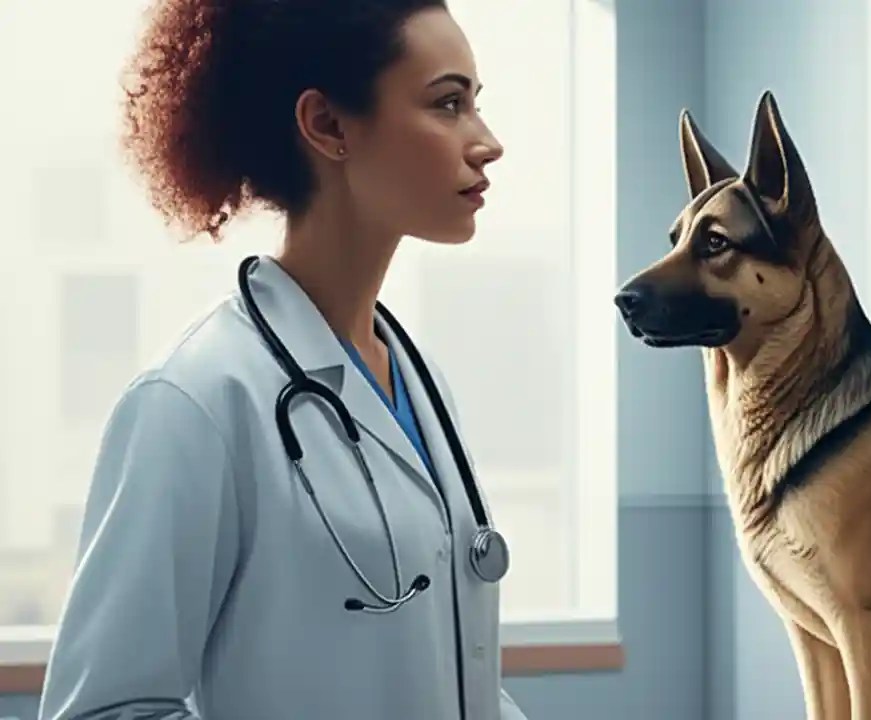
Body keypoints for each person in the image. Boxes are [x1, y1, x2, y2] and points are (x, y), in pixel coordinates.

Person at [36, 0, 528, 718]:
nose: (486, 142)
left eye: (474, 104)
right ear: (327, 126)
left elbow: (447, 677)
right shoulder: (197, 402)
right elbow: (102, 710)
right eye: (447, 104)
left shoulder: (422, 388)